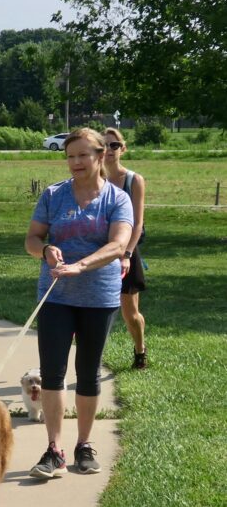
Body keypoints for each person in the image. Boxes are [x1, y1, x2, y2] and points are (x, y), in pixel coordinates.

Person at [24, 127, 133, 479]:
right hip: (55, 296)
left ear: (101, 156)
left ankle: (84, 446)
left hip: (98, 298)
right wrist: (45, 249)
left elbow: (118, 246)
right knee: (53, 373)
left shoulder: (117, 199)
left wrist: (81, 266)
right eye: (70, 156)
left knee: (88, 373)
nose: (75, 163)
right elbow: (32, 237)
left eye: (83, 155)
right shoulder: (54, 195)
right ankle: (54, 450)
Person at [103, 127, 148, 370]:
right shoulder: (94, 179)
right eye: (104, 146)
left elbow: (137, 223)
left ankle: (140, 349)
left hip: (125, 252)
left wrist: (127, 254)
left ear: (123, 149)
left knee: (130, 314)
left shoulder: (133, 180)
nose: (109, 150)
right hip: (99, 251)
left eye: (114, 145)